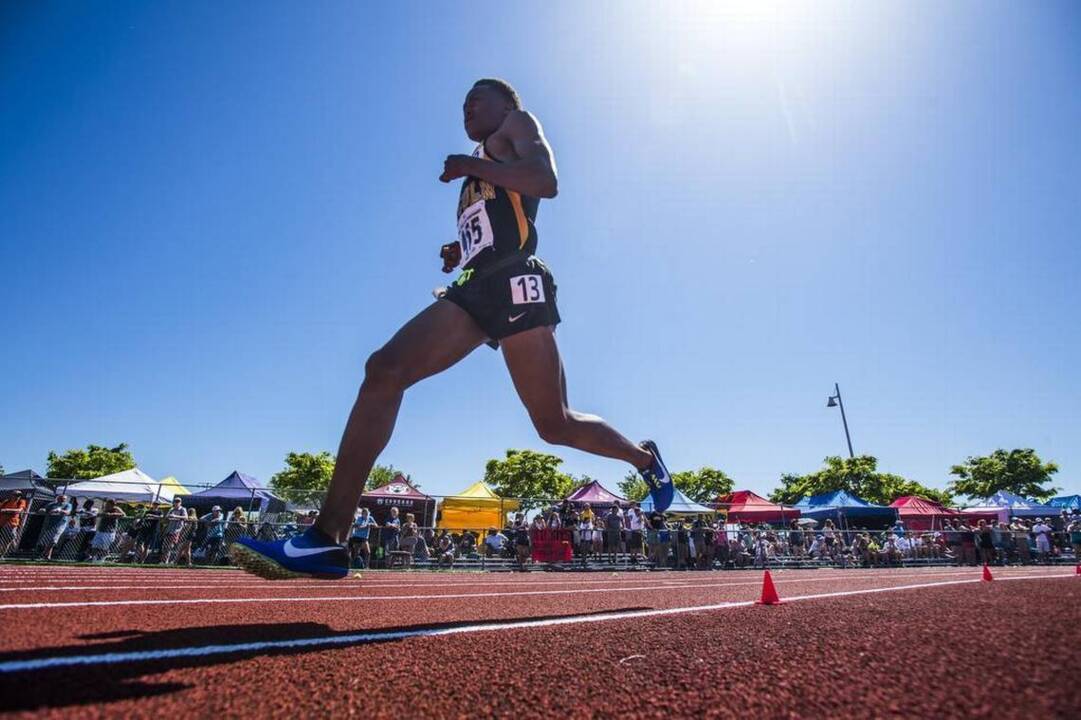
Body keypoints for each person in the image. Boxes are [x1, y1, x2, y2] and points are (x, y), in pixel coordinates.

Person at [231, 78, 674, 580]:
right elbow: (495, 220)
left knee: (554, 424)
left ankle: (642, 459)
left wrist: (469, 165)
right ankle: (327, 539)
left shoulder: (516, 126)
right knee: (384, 369)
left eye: (476, 99)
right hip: (476, 285)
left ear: (507, 104)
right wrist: (457, 248)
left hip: (515, 279)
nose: (467, 108)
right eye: (463, 103)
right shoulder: (482, 162)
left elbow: (544, 180)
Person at [37, 494, 72, 560]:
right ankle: (47, 556)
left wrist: (60, 510)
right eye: (61, 498)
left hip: (61, 524)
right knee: (47, 540)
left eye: (64, 499)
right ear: (58, 498)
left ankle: (44, 553)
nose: (62, 500)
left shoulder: (68, 505)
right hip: (51, 523)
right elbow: (45, 509)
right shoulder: (52, 504)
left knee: (54, 539)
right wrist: (42, 510)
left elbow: (67, 512)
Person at [159, 497, 188, 564]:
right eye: (175, 501)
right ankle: (164, 561)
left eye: (178, 501)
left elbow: (186, 517)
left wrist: (175, 516)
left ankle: (169, 561)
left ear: (180, 502)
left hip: (177, 530)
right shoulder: (171, 509)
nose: (177, 502)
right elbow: (167, 517)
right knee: (165, 546)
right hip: (169, 530)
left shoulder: (182, 509)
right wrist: (169, 516)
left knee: (171, 546)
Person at [0, 491, 29, 557]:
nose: (17, 496)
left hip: (12, 524)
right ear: (12, 495)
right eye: (15, 495)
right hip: (2, 523)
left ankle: (2, 555)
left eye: (19, 495)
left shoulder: (21, 502)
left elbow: (19, 510)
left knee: (8, 540)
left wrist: (7, 510)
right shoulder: (6, 501)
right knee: (5, 540)